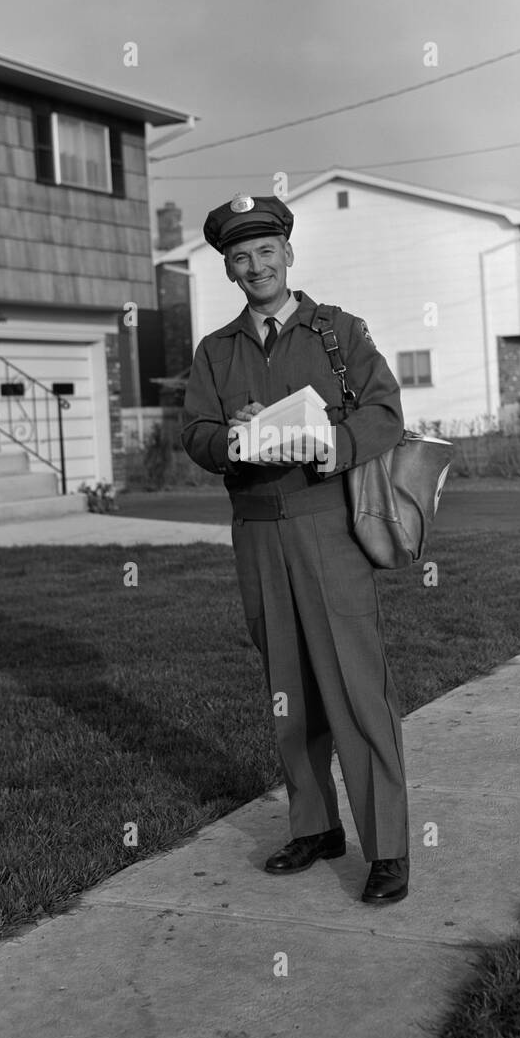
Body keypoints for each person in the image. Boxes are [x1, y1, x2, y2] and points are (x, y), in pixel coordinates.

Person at [181, 193, 411, 904]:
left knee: (354, 687)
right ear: (229, 270)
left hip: (326, 526)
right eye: (239, 257)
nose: (255, 266)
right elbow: (195, 434)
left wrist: (328, 443)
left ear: (288, 254)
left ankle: (389, 848)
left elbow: (383, 415)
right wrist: (233, 437)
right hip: (256, 531)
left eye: (265, 252)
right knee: (288, 688)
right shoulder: (215, 351)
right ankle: (313, 826)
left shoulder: (337, 331)